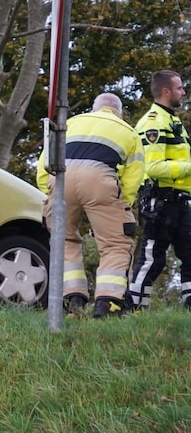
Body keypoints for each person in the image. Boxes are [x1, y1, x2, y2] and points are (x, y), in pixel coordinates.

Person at [37, 92, 144, 318]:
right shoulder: (128, 131)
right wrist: (118, 209)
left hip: (60, 178)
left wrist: (49, 194)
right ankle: (109, 303)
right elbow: (133, 180)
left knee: (63, 240)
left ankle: (72, 298)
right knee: (116, 243)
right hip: (100, 179)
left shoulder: (71, 123)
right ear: (119, 112)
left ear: (94, 108)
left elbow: (43, 164)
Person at [128, 70, 191, 311]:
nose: (183, 92)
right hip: (161, 200)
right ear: (166, 91)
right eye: (179, 88)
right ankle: (133, 309)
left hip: (179, 200)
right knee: (153, 259)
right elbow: (153, 167)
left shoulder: (172, 120)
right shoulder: (153, 122)